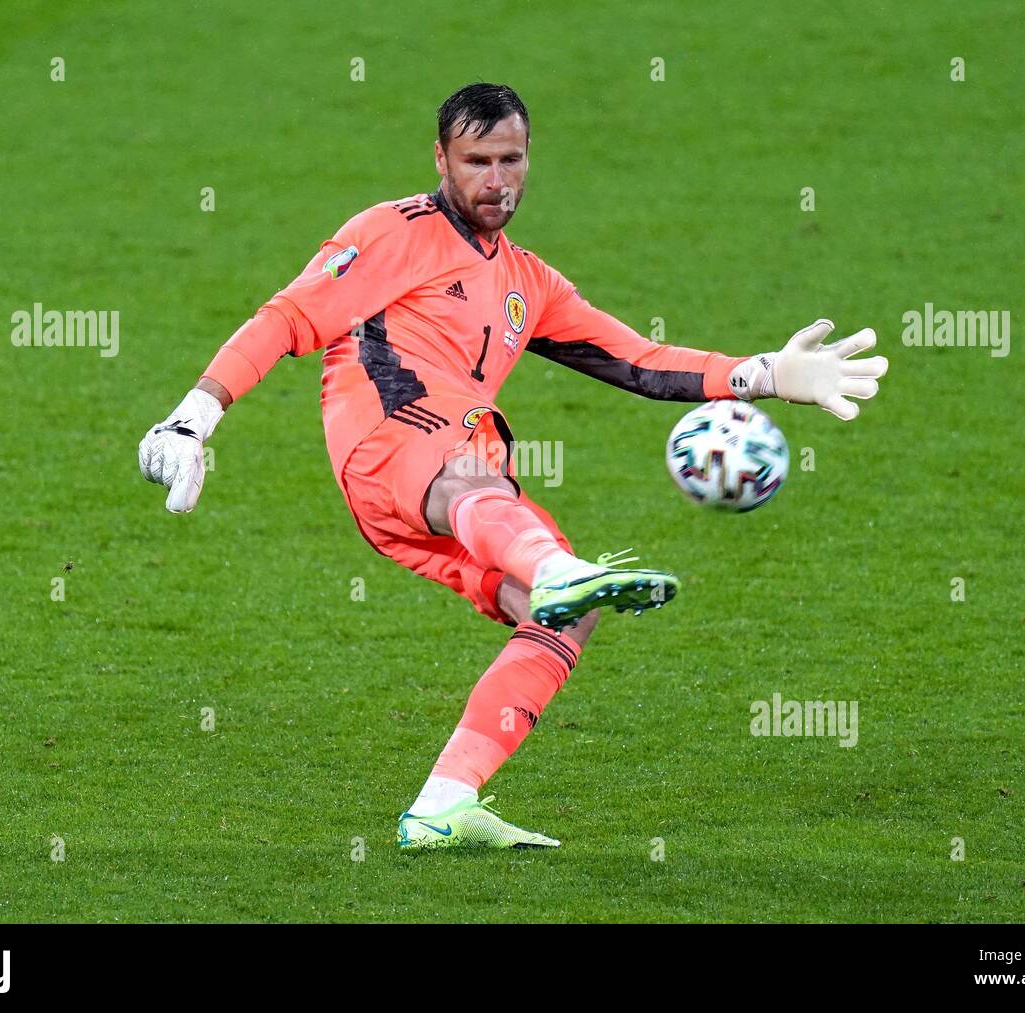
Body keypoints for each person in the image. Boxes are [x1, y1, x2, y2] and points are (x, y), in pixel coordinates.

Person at [138, 82, 887, 850]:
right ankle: (553, 565)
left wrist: (764, 373)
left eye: (510, 159)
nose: (496, 181)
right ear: (440, 158)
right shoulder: (393, 232)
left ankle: (442, 804)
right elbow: (288, 316)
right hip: (394, 442)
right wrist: (194, 418)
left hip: (424, 508)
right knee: (481, 472)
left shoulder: (528, 281)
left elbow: (639, 360)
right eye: (476, 161)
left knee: (561, 613)